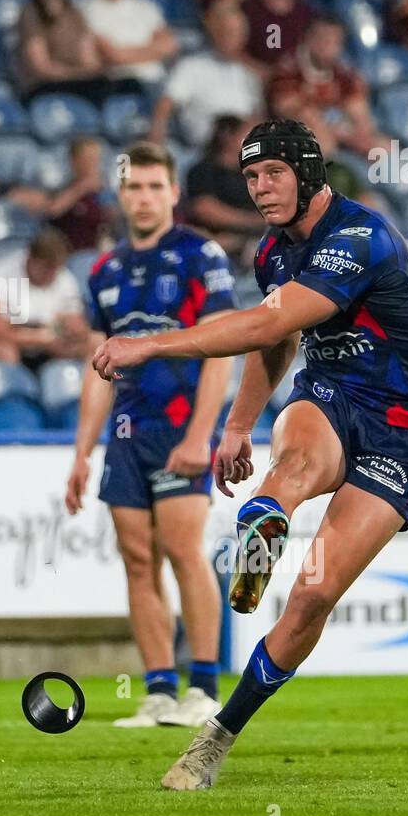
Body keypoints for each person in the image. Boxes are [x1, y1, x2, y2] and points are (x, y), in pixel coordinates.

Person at [91, 119, 408, 790]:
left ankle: (216, 736)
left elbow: (268, 323)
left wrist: (150, 343)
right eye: (251, 176)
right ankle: (266, 521)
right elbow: (277, 346)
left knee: (313, 595)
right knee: (293, 465)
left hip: (404, 430)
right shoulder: (273, 253)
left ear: (308, 171)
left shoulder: (358, 237)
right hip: (331, 399)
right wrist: (238, 425)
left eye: (272, 173)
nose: (259, 188)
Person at [66, 142, 237, 729]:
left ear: (173, 193)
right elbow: (96, 370)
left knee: (184, 550)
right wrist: (81, 454)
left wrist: (201, 436)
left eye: (154, 187)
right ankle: (159, 690)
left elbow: (222, 351)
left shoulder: (199, 255)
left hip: (180, 426)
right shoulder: (105, 270)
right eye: (134, 187)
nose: (144, 198)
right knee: (137, 559)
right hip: (126, 434)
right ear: (121, 194)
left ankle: (205, 687)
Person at [0, 227, 92, 369]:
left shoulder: (63, 277)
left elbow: (75, 321)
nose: (52, 275)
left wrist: (71, 332)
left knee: (90, 346)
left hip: (46, 339)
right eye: (47, 268)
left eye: (55, 269)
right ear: (31, 259)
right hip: (3, 339)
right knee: (4, 352)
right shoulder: (0, 276)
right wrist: (40, 339)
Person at [267, 16, 389, 157]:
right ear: (307, 39)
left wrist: (359, 135)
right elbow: (291, 112)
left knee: (383, 148)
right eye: (322, 39)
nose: (328, 46)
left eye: (334, 42)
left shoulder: (345, 73)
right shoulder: (288, 70)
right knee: (315, 133)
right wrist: (339, 132)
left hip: (342, 134)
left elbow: (361, 115)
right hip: (295, 142)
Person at [150, 0, 263, 148]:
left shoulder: (249, 75)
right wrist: (156, 135)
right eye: (225, 31)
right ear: (214, 32)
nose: (229, 38)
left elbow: (258, 119)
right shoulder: (192, 66)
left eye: (235, 33)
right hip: (205, 151)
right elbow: (165, 105)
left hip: (242, 151)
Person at [80, 0, 178, 94]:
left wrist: (126, 53)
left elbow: (169, 45)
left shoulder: (146, 7)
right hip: (118, 85)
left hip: (155, 83)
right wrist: (153, 51)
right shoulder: (86, 10)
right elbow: (113, 55)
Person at [15, 0, 108, 104]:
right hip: (46, 85)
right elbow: (41, 66)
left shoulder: (75, 14)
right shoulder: (30, 14)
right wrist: (76, 74)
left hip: (77, 82)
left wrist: (85, 73)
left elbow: (89, 57)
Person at [180, 114, 266, 261]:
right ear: (228, 136)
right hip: (215, 249)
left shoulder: (256, 174)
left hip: (255, 245)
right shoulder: (204, 170)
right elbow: (204, 208)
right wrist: (252, 222)